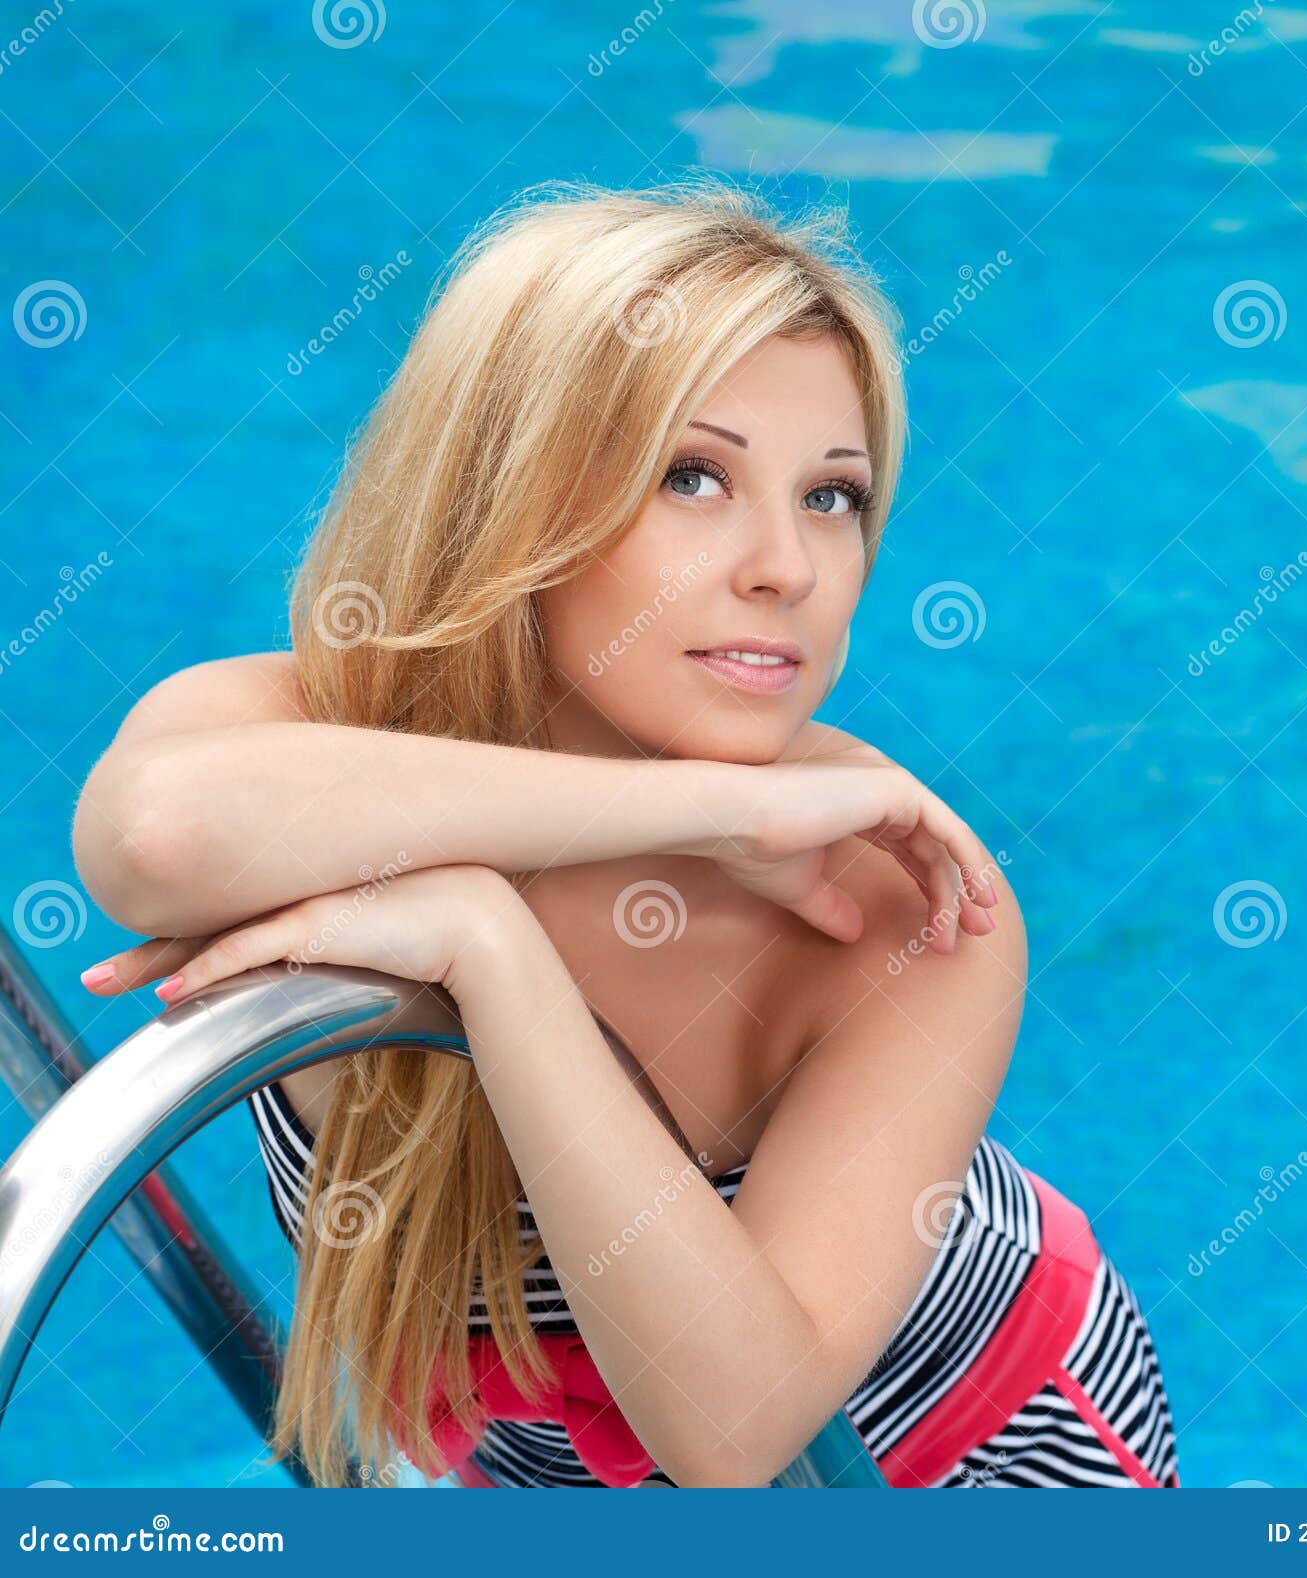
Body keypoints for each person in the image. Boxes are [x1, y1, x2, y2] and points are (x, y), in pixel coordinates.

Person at [71, 177, 1179, 1490]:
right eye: (693, 476)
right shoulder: (299, 725)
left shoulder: (896, 896)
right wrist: (706, 810)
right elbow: (150, 834)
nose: (788, 568)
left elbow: (734, 1431)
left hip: (963, 1452)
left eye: (833, 496)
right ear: (511, 496)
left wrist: (491, 947)